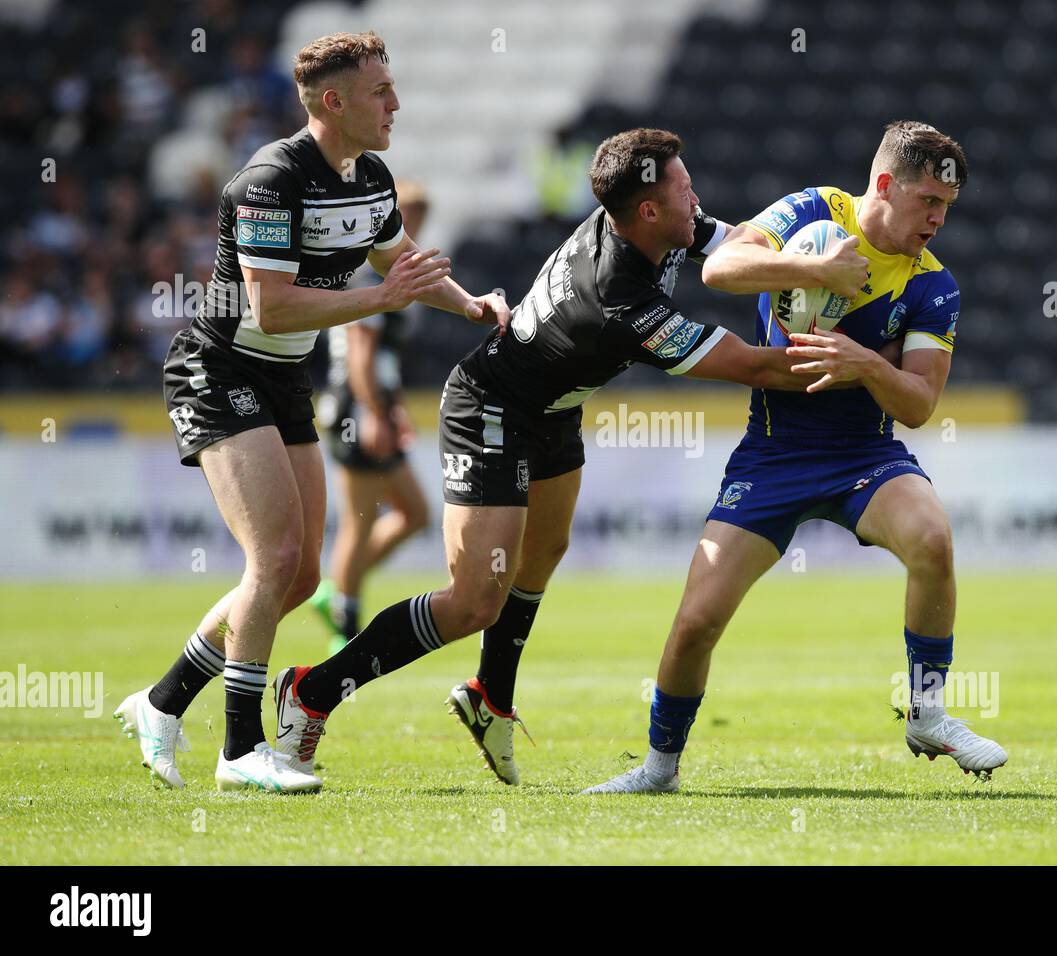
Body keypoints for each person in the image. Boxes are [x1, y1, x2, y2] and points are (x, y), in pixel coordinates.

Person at [270, 128, 880, 787]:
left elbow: (734, 247)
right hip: (491, 407)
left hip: (553, 408)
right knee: (475, 600)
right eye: (683, 187)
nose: (695, 195)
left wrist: (807, 269)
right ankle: (311, 691)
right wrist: (870, 364)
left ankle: (489, 698)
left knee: (542, 553)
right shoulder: (625, 304)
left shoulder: (643, 220)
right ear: (648, 210)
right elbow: (757, 366)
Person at [113, 31, 509, 793]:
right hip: (219, 369)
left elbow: (404, 264)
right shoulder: (269, 180)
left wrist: (469, 305)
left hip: (284, 381)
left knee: (297, 579)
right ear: (334, 102)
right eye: (380, 92)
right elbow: (272, 304)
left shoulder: (372, 174)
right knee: (274, 560)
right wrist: (379, 298)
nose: (396, 103)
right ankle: (238, 751)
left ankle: (161, 704)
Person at [585, 120, 1008, 794]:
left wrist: (866, 363)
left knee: (932, 540)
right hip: (774, 452)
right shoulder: (814, 210)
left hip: (863, 453)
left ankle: (927, 712)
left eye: (946, 209)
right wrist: (816, 269)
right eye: (927, 201)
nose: (937, 219)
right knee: (697, 621)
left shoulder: (935, 285)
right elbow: (721, 267)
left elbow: (920, 404)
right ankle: (659, 768)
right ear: (884, 184)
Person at [309, 180, 434, 655]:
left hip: (372, 406)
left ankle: (336, 589)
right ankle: (344, 622)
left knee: (415, 514)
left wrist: (394, 406)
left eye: (422, 216)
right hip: (354, 410)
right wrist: (375, 412)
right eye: (411, 214)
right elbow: (360, 355)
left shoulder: (391, 271)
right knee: (361, 522)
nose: (417, 224)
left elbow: (383, 359)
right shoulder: (369, 273)